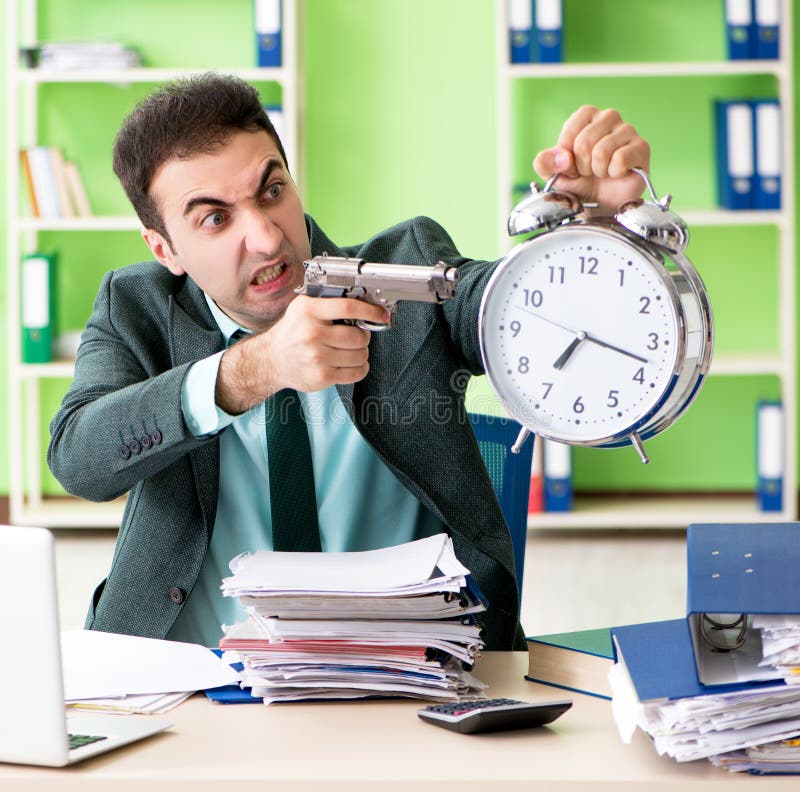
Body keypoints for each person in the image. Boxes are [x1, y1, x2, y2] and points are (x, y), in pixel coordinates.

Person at [48, 74, 649, 651]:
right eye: (215, 218)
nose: (265, 237)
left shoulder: (406, 268)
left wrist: (597, 235)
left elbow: (527, 319)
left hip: (406, 673)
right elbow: (79, 457)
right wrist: (253, 370)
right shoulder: (137, 307)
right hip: (196, 675)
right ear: (165, 249)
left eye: (272, 191)